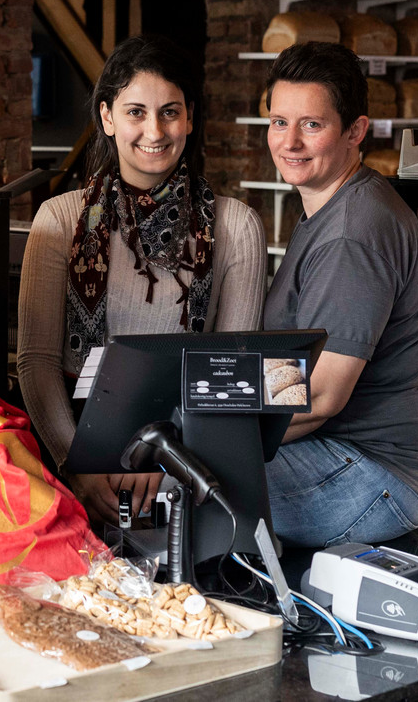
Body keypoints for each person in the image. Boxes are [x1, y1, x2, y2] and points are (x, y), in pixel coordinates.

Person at [19, 35, 266, 524]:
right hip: (74, 454)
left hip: (187, 462)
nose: (154, 130)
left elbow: (228, 373)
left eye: (170, 112)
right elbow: (37, 361)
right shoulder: (59, 219)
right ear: (108, 117)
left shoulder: (236, 225)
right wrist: (79, 467)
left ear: (189, 118)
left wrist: (168, 455)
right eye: (136, 112)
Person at [262, 41, 418, 548]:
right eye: (279, 122)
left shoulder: (352, 232)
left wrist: (211, 443)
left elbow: (319, 397)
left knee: (171, 488)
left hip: (376, 474)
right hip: (345, 457)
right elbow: (292, 362)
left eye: (311, 125)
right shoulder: (332, 205)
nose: (290, 142)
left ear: (355, 131)